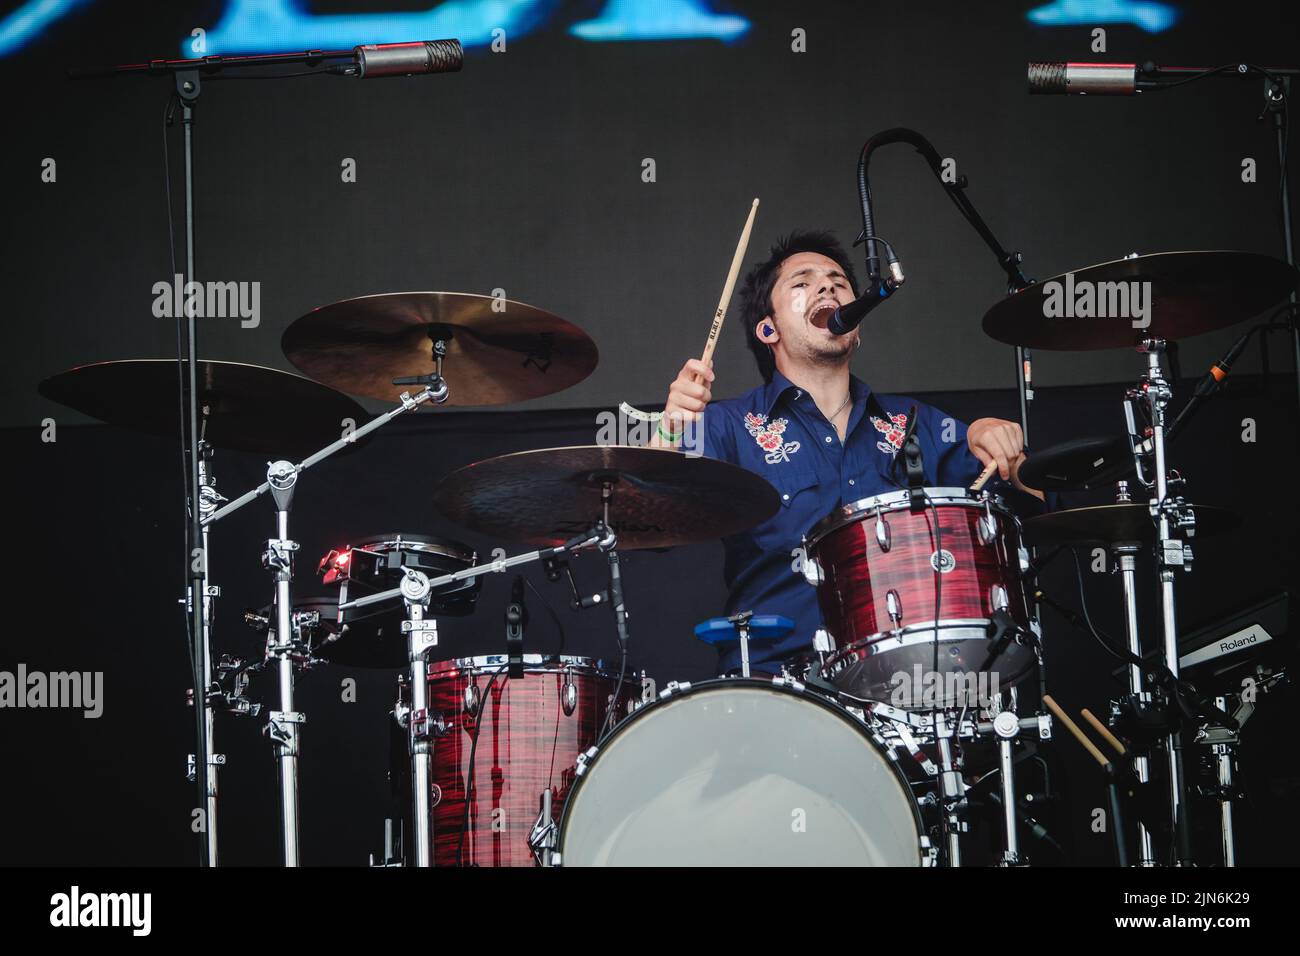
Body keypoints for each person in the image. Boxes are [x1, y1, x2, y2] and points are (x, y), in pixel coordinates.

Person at [652, 230, 1045, 675]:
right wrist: (668, 431)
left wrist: (1006, 452)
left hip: (913, 683)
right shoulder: (728, 425)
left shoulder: (917, 422)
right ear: (769, 328)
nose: (827, 287)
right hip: (774, 685)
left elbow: (1038, 509)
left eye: (838, 281)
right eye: (802, 282)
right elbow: (648, 528)